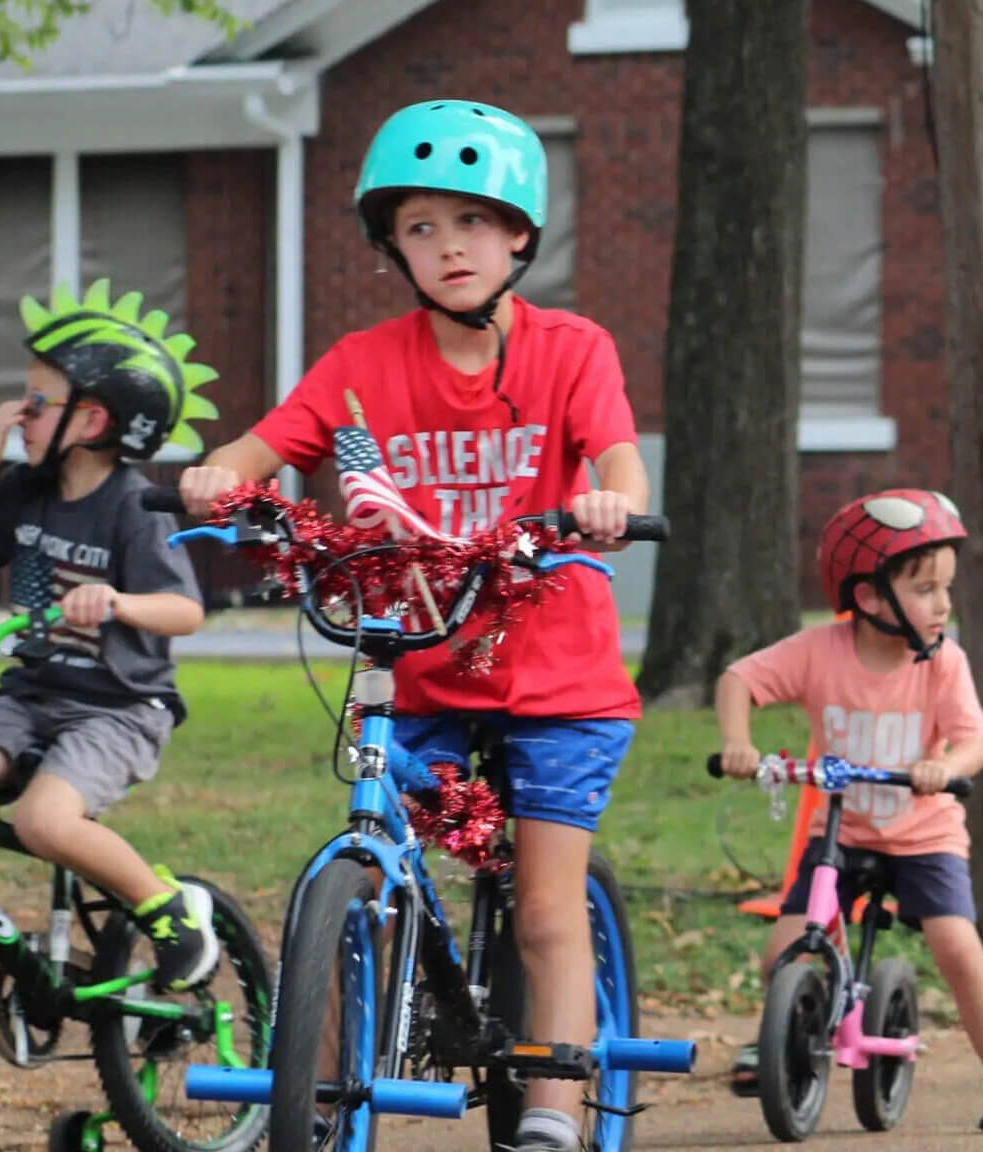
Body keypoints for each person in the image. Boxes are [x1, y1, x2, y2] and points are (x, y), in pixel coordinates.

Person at [175, 99, 648, 1152]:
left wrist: (610, 500)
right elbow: (263, 448)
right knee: (371, 873)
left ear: (519, 234)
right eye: (421, 227)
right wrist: (217, 478)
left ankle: (557, 1118)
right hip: (419, 662)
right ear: (390, 243)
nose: (448, 247)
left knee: (539, 911)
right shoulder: (361, 364)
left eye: (472, 222)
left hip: (557, 679)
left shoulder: (571, 350)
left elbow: (616, 458)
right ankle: (319, 1094)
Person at [0, 277, 222, 996]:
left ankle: (170, 913)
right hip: (31, 695)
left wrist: (115, 601)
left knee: (43, 822)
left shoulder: (135, 505)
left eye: (38, 402)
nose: (19, 414)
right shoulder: (26, 488)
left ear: (93, 419)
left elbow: (186, 612)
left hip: (118, 707)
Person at [715, 490, 983, 1135]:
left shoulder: (944, 663)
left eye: (946, 587)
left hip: (925, 834)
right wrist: (739, 742)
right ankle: (788, 1031)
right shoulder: (818, 652)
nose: (943, 604)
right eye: (925, 589)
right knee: (784, 948)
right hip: (842, 832)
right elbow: (738, 680)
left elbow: (976, 740)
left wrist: (947, 769)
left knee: (955, 944)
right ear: (869, 597)